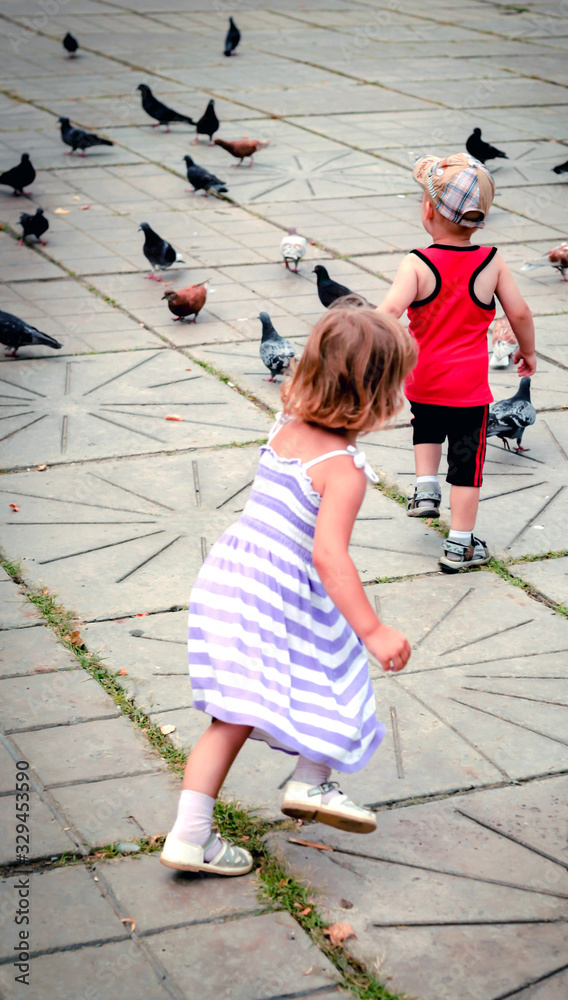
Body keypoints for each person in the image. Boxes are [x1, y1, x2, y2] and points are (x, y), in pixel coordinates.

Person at [160, 302, 417, 877]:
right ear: (380, 395)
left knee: (231, 717)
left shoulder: (284, 427)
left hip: (234, 576)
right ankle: (312, 783)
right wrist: (371, 629)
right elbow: (328, 556)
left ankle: (189, 835)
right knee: (340, 672)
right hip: (283, 593)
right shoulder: (344, 468)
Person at [377, 151, 536, 572]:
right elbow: (518, 313)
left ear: (428, 211)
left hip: (423, 379)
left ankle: (424, 490)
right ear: (479, 219)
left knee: (425, 428)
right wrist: (528, 351)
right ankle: (459, 547)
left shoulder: (416, 263)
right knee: (467, 468)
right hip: (468, 391)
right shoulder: (491, 262)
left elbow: (387, 312)